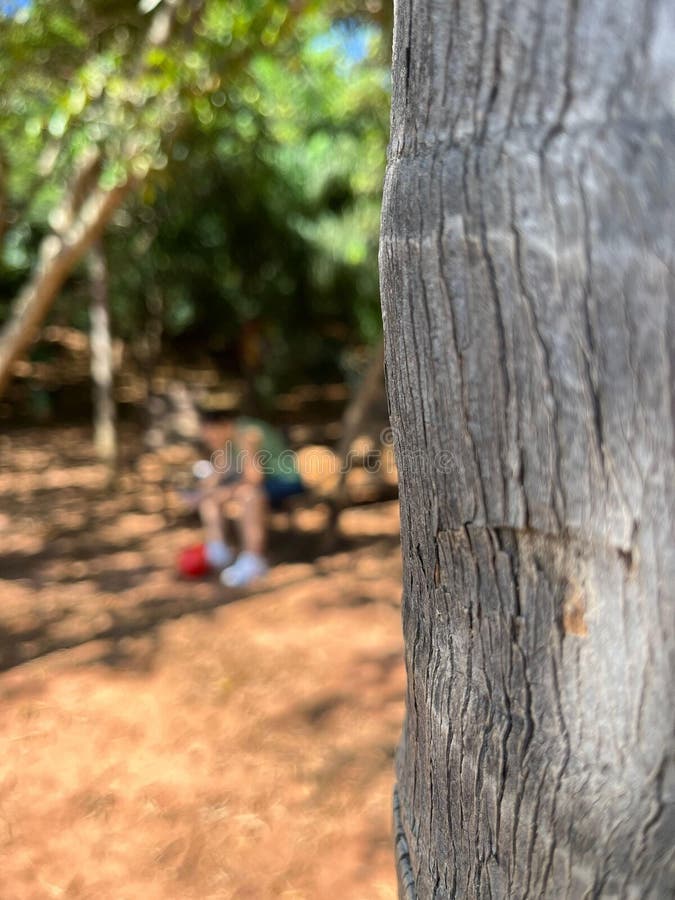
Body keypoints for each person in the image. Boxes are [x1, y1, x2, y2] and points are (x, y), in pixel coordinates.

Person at [179, 406, 305, 587]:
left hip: (284, 481)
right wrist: (199, 494)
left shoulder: (247, 433)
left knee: (248, 495)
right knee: (211, 499)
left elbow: (254, 478)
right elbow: (218, 474)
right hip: (262, 483)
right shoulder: (226, 440)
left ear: (223, 426)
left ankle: (254, 560)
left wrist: (222, 492)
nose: (209, 440)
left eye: (211, 434)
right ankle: (218, 551)